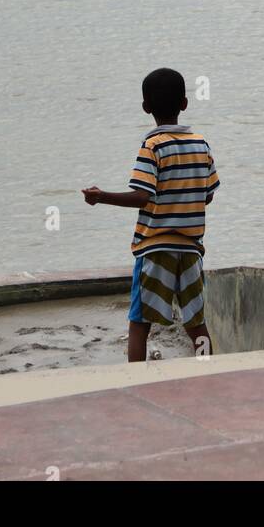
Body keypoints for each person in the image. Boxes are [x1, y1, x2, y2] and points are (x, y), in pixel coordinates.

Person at [82, 67, 219, 362]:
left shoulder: (152, 147)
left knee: (140, 322)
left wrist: (101, 196)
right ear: (185, 103)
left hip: (155, 249)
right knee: (196, 323)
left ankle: (137, 378)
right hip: (191, 250)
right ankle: (208, 370)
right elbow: (208, 194)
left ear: (146, 108)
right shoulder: (201, 144)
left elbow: (143, 196)